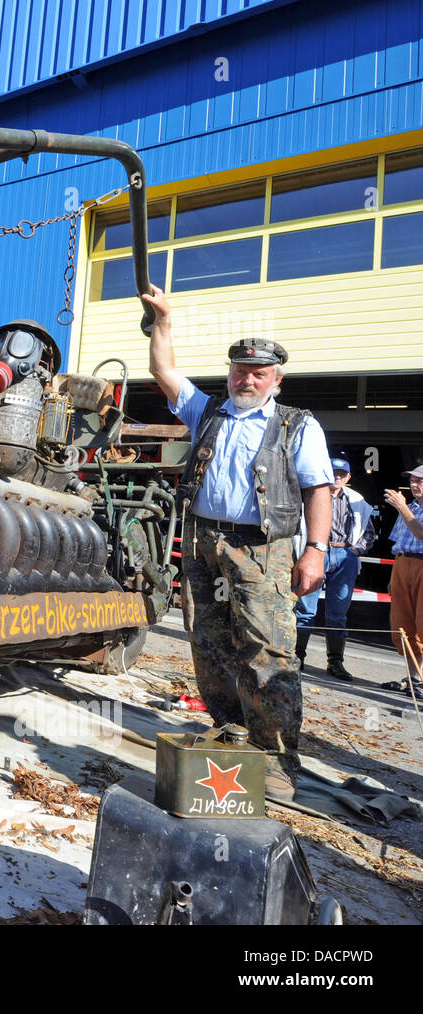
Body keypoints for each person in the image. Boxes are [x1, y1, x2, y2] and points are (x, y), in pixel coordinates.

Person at [142, 286, 332, 802]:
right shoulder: (208, 412)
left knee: (266, 650)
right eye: (240, 370)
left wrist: (316, 550)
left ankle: (275, 762)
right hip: (204, 542)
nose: (247, 379)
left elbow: (318, 489)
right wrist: (163, 319)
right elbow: (163, 371)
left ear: (276, 379)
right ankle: (229, 736)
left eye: (258, 373)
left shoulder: (297, 425)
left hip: (263, 548)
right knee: (209, 644)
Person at [294, 457, 375, 681]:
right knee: (305, 608)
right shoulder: (310, 495)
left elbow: (369, 533)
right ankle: (297, 656)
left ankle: (335, 662)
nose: (337, 477)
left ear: (348, 478)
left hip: (344, 553)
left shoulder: (357, 500)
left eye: (341, 474)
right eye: (333, 472)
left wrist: (355, 552)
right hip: (316, 552)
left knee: (338, 613)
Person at [382, 467, 423, 693]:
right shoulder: (411, 508)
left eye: (420, 481)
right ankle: (414, 679)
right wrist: (393, 576)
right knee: (403, 625)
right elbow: (398, 545)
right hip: (402, 565)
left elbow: (421, 533)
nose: (415, 485)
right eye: (413, 480)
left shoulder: (407, 508)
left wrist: (402, 506)